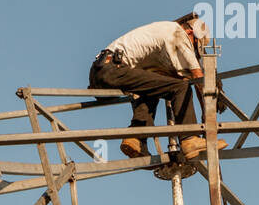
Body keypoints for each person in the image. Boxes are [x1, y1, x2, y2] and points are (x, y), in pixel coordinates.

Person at [87, 13, 227, 162]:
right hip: (113, 68)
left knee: (155, 87)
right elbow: (198, 78)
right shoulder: (177, 32)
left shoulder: (163, 36)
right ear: (190, 32)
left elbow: (172, 78)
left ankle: (136, 137)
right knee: (181, 88)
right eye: (193, 45)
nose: (191, 51)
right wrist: (208, 118)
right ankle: (190, 138)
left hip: (101, 72)